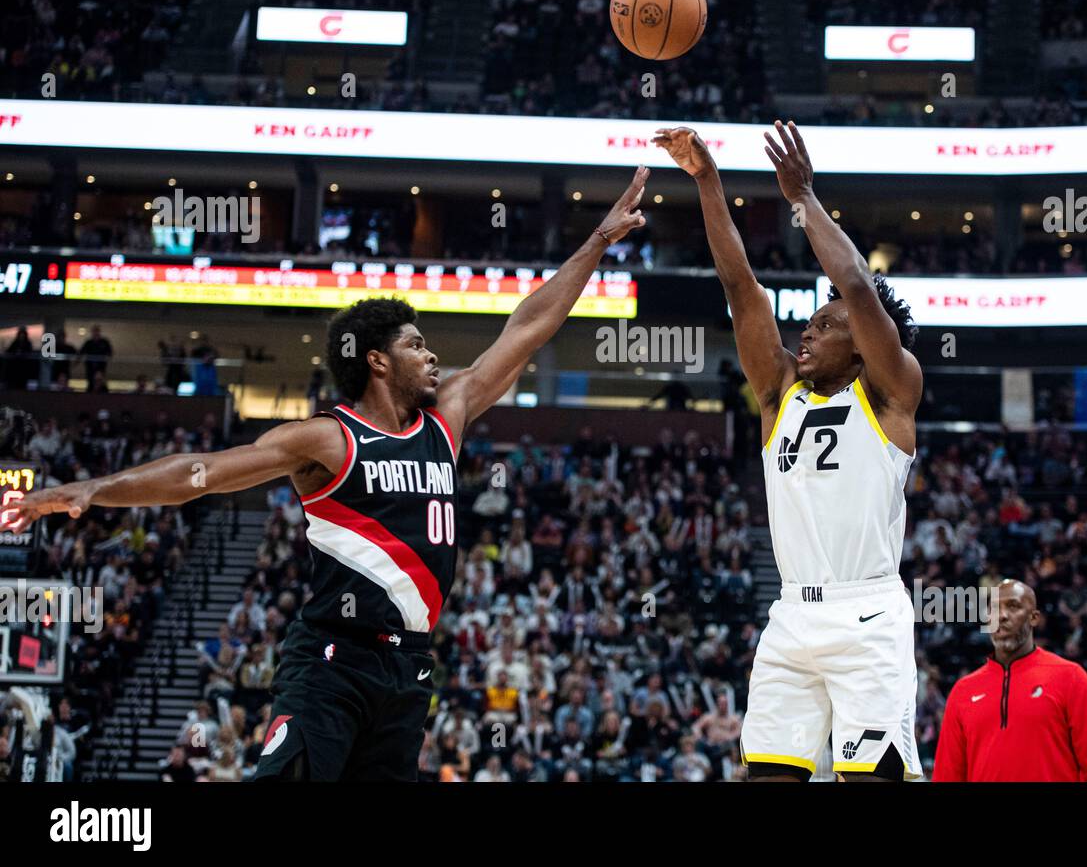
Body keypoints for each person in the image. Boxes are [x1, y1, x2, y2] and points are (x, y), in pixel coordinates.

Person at [3, 167, 650, 781]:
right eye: (415, 345)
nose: (431, 356)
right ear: (377, 361)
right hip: (333, 661)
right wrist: (95, 488)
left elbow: (529, 327)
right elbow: (201, 474)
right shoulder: (330, 438)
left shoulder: (446, 417)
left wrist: (596, 241)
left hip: (409, 668)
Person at [656, 122, 923, 782]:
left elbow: (859, 287)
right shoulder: (780, 393)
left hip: (866, 616)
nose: (808, 328)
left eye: (825, 324)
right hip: (791, 620)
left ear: (863, 343)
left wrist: (802, 199)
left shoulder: (892, 391)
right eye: (810, 319)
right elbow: (741, 286)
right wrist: (707, 181)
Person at [932, 580, 1087, 782]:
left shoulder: (1071, 677)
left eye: (1013, 606)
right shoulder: (963, 691)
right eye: (994, 609)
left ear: (1034, 618)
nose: (1002, 616)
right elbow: (946, 774)